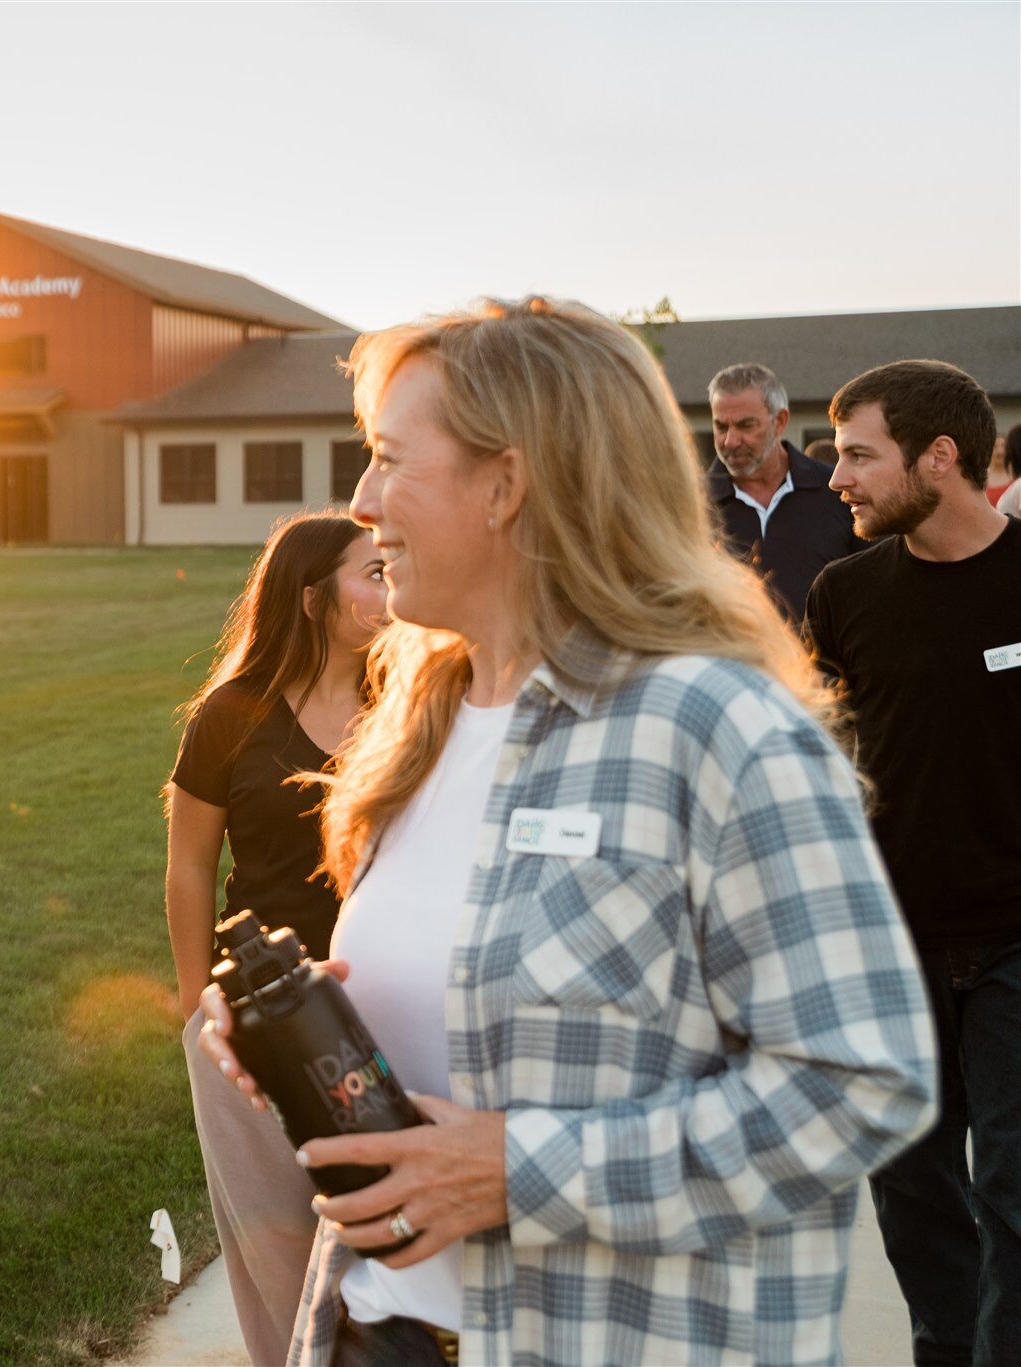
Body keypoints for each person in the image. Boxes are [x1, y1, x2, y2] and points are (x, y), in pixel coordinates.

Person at [198, 298, 936, 1366]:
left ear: (506, 483)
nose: (359, 502)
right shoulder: (420, 723)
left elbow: (862, 1081)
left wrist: (518, 1169)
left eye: (387, 459)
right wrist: (304, 1041)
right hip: (382, 1329)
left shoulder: (713, 728)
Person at [807, 360, 1021, 1367]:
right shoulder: (842, 592)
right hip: (887, 941)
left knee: (1013, 1185)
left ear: (939, 457)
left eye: (858, 453)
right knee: (906, 1177)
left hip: (1016, 938)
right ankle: (946, 1345)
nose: (836, 473)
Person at [166, 510, 388, 1365]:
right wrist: (196, 1005)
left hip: (376, 1014)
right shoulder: (229, 714)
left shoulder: (409, 703)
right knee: (276, 1251)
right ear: (313, 598)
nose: (389, 587)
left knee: (375, 1239)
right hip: (251, 1020)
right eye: (371, 573)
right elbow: (189, 864)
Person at [705, 362, 860, 622]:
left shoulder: (839, 491)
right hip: (725, 660)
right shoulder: (688, 504)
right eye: (721, 427)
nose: (730, 441)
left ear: (780, 421)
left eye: (745, 426)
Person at [987, 423, 1018, 507]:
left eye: (1003, 446)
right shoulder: (982, 476)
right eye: (995, 447)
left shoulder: (1016, 473)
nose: (1000, 451)